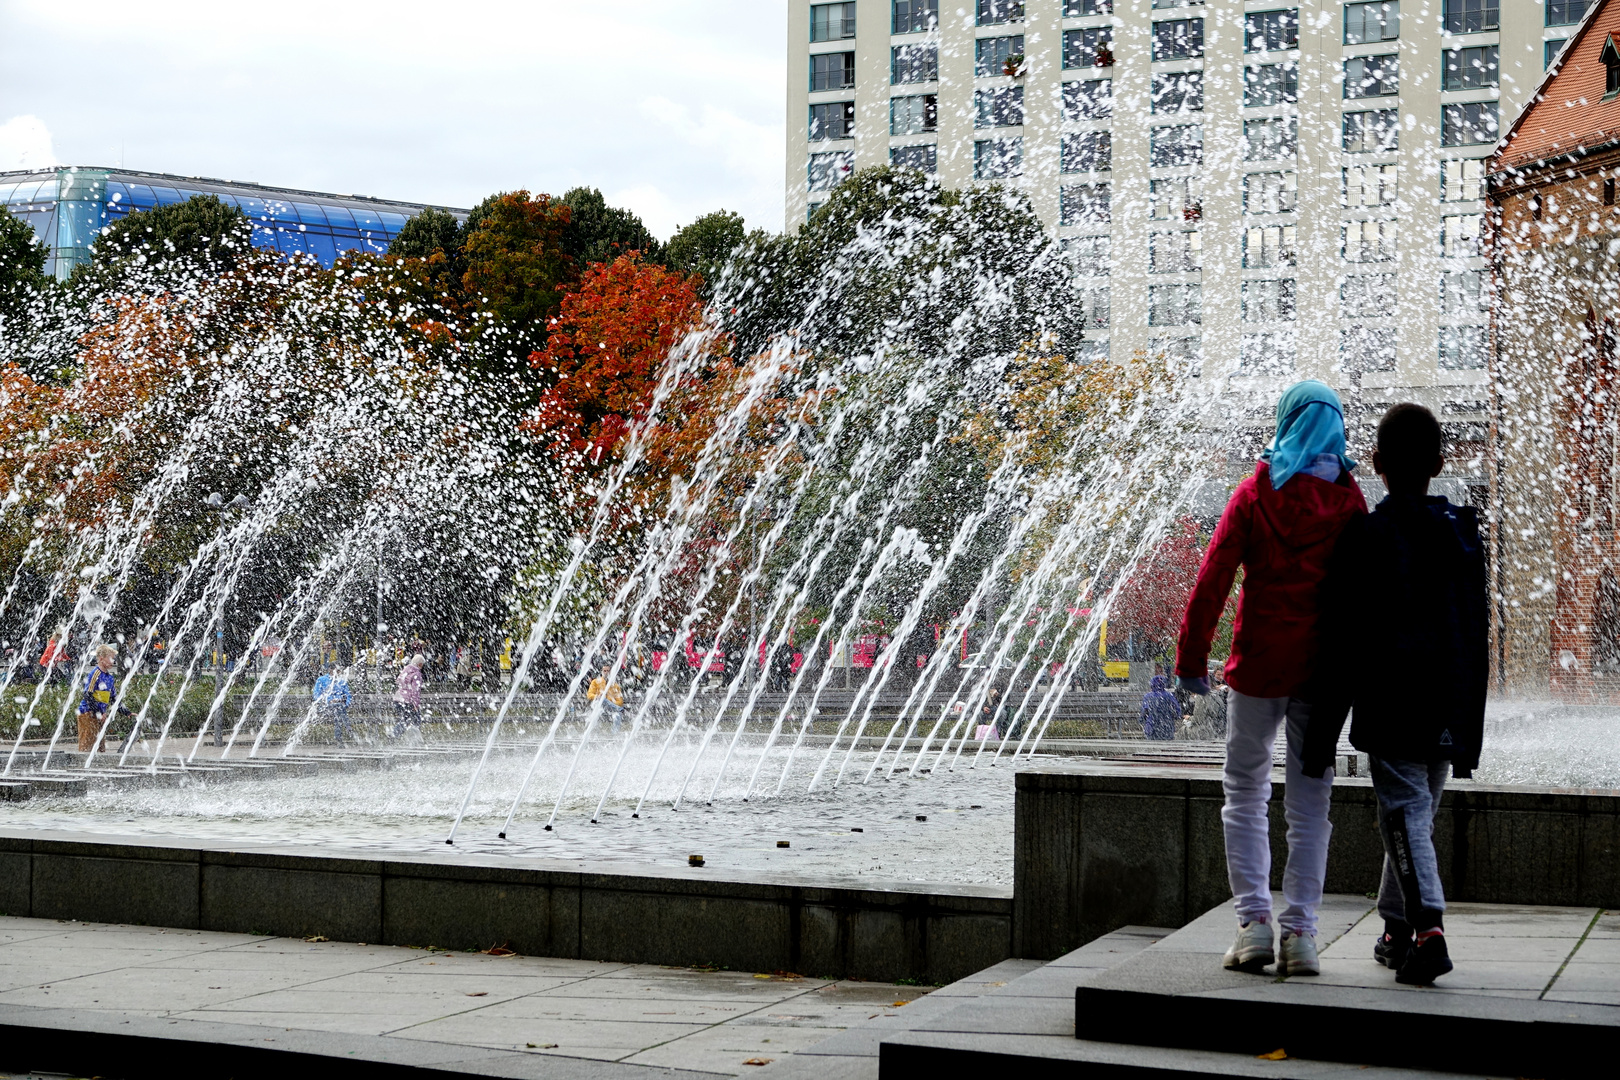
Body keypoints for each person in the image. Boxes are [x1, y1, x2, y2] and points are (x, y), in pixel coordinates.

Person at [1175, 380, 1367, 977]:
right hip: (1321, 674)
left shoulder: (1256, 490)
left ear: (1285, 422)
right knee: (1312, 807)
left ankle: (1254, 924)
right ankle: (1303, 935)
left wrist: (1190, 659)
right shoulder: (1350, 501)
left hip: (1258, 666)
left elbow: (1212, 579)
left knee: (1245, 794)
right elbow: (1367, 597)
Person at [1304, 403, 1487, 986]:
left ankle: (1429, 930)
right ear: (1440, 462)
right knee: (1412, 818)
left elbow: (1342, 641)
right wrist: (1468, 725)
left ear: (1376, 464)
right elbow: (1473, 634)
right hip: (1446, 709)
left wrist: (1321, 734)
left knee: (1407, 817)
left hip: (1391, 705)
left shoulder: (1367, 536)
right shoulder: (1462, 534)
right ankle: (1397, 929)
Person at [77, 644, 129, 753]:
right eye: (110, 658)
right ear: (101, 658)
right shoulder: (95, 674)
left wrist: (126, 712)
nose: (113, 661)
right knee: (87, 746)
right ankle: (84, 766)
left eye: (113, 659)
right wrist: (98, 713)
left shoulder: (109, 677)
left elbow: (113, 698)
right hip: (88, 714)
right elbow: (87, 695)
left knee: (100, 747)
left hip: (99, 715)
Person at [313, 665, 354, 746]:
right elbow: (316, 695)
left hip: (340, 706)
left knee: (338, 708)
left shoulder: (342, 681)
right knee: (338, 709)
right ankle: (348, 729)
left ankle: (339, 737)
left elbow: (348, 695)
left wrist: (346, 704)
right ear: (330, 670)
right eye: (337, 670)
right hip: (326, 707)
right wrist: (328, 701)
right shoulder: (321, 680)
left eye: (339, 670)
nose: (339, 672)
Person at [1189, 666, 1229, 741]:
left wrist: (1189, 718)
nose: (1221, 677)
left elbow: (1198, 719)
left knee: (1183, 731)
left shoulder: (1203, 696)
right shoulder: (1214, 694)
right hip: (1217, 727)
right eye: (1219, 675)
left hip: (1207, 729)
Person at [586, 665, 626, 731]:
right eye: (604, 671)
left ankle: (615, 733)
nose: (606, 672)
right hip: (599, 707)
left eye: (608, 671)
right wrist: (597, 696)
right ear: (601, 672)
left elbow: (620, 701)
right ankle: (619, 709)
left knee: (617, 714)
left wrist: (611, 702)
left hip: (611, 708)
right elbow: (589, 695)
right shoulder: (595, 682)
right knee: (601, 699)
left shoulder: (615, 685)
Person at [393, 653, 424, 736]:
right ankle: (414, 738)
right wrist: (415, 705)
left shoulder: (405, 670)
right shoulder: (416, 674)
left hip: (398, 699)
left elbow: (398, 681)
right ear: (420, 664)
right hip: (407, 701)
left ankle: (394, 734)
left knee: (406, 719)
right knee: (415, 719)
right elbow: (415, 691)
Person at [1139, 675, 1179, 741]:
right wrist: (1176, 716)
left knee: (1151, 746)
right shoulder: (1169, 695)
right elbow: (1176, 708)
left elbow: (1145, 711)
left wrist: (1142, 720)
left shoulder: (1148, 696)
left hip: (1152, 726)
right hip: (1167, 726)